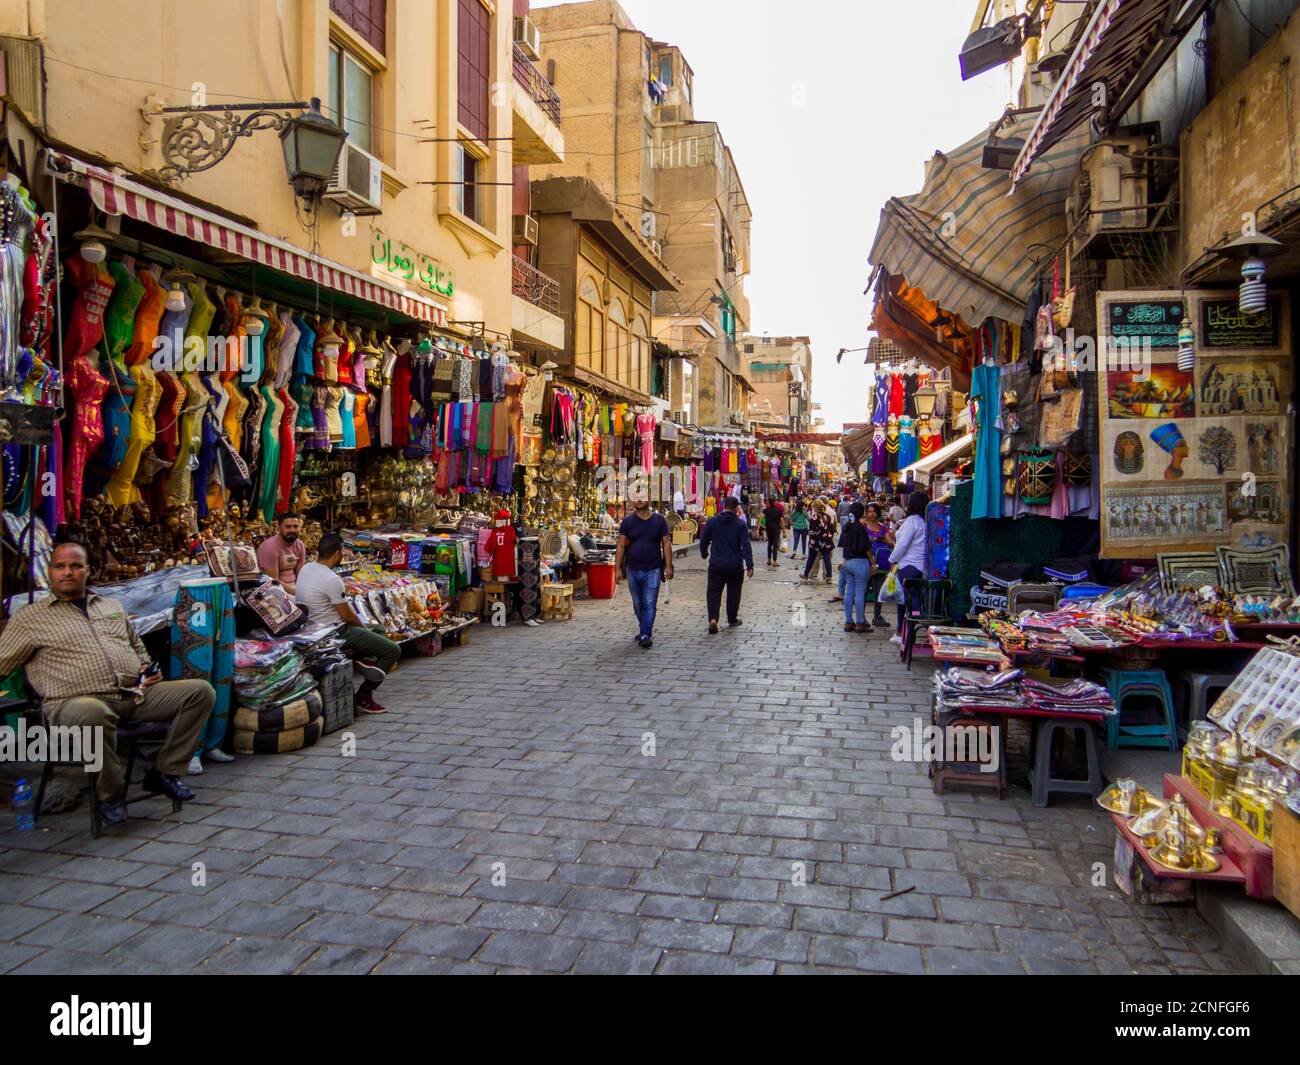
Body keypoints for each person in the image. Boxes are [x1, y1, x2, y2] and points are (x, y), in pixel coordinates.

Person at [0, 541, 214, 827]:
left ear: (88, 570)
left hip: (132, 694)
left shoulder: (110, 606)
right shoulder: (30, 618)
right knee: (94, 713)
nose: (68, 572)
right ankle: (110, 794)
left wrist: (145, 670)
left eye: (76, 566)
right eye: (60, 566)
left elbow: (137, 647)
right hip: (73, 704)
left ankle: (164, 771)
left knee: (200, 692)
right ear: (50, 572)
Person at [295, 531, 399, 713]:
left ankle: (366, 661)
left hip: (314, 627)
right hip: (334, 631)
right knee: (392, 650)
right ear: (337, 553)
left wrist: (368, 630)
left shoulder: (306, 568)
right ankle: (364, 697)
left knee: (379, 629)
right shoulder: (331, 579)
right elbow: (348, 616)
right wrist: (364, 628)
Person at [616, 492, 673, 648]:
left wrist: (668, 565)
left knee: (649, 603)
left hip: (653, 569)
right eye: (636, 497)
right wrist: (617, 569)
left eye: (642, 497)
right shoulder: (627, 522)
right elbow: (620, 546)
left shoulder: (659, 520)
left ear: (650, 499)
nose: (639, 500)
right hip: (633, 570)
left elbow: (666, 543)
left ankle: (646, 634)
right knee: (637, 603)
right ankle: (644, 629)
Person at [699, 496, 754, 634]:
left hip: (716, 564)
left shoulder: (712, 522)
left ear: (724, 506)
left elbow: (703, 539)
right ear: (737, 508)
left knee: (713, 592)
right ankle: (732, 618)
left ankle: (713, 619)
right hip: (735, 565)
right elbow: (746, 545)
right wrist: (750, 564)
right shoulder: (741, 524)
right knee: (734, 593)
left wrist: (704, 552)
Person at [886, 490, 929, 646]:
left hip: (908, 565)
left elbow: (903, 544)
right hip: (920, 566)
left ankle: (904, 631)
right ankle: (910, 628)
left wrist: (892, 559)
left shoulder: (912, 521)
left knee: (903, 600)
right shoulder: (924, 521)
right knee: (913, 598)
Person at [838, 502, 874, 632]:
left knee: (849, 592)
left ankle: (848, 622)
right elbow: (866, 548)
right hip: (860, 563)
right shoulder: (860, 528)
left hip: (848, 563)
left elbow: (842, 546)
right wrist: (873, 561)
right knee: (859, 593)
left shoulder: (847, 527)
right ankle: (860, 622)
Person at [257, 512, 306, 594]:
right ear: (279, 528)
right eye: (288, 527)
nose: (292, 530)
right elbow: (272, 581)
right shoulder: (269, 546)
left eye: (295, 526)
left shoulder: (300, 545)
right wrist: (297, 593)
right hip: (273, 589)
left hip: (295, 587)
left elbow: (300, 575)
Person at [863, 501, 894, 627]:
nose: (872, 514)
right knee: (863, 590)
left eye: (874, 511)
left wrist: (881, 539)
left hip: (881, 564)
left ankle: (877, 616)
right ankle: (862, 617)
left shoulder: (883, 527)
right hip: (866, 562)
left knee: (879, 591)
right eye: (869, 511)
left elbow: (891, 544)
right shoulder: (862, 526)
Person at [802, 500, 835, 582]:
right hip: (825, 540)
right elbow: (831, 528)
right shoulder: (827, 516)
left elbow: (812, 530)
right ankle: (829, 576)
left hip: (816, 540)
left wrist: (809, 534)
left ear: (815, 507)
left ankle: (806, 574)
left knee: (811, 557)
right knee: (826, 558)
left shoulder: (814, 517)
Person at [762, 497, 786, 567]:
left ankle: (769, 560)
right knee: (775, 545)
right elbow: (782, 520)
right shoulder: (779, 510)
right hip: (776, 529)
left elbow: (761, 517)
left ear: (769, 502)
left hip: (769, 529)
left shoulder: (766, 510)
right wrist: (784, 531)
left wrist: (758, 529)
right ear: (775, 502)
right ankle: (774, 561)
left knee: (769, 544)